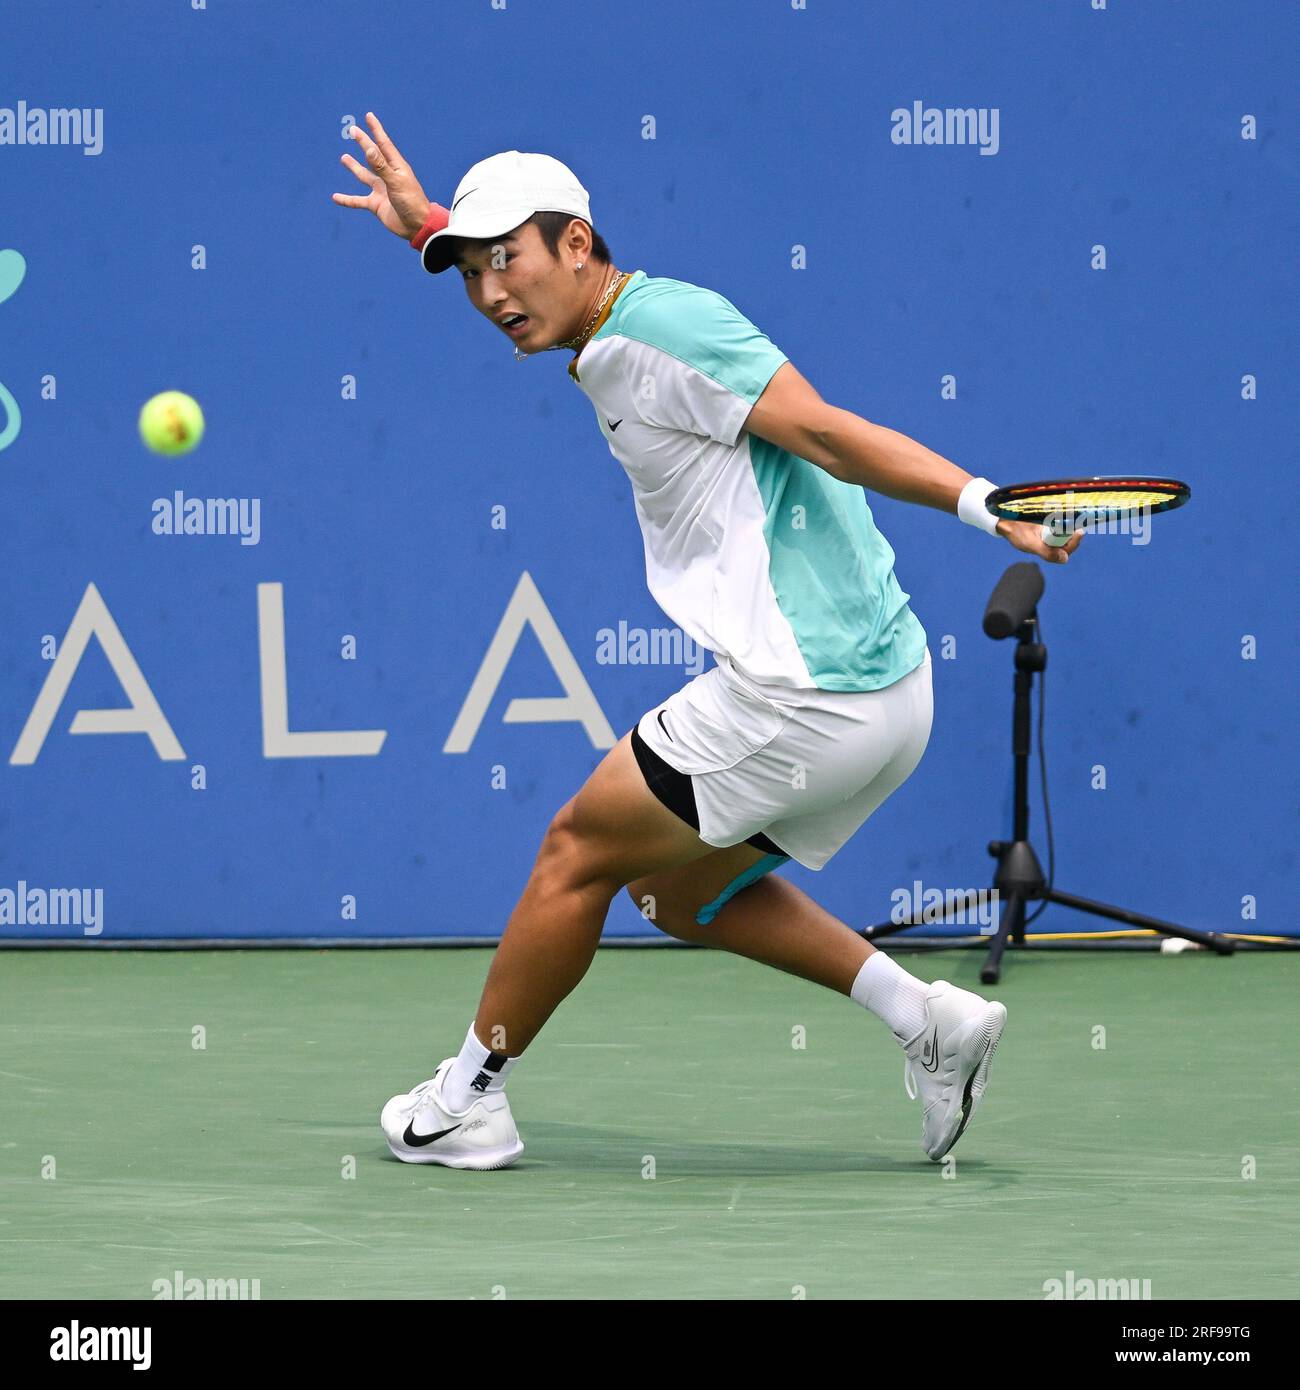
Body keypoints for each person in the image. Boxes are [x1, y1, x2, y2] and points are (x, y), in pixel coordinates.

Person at [332, 113, 1082, 1172]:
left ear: (579, 246)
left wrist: (978, 500)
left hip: (804, 695)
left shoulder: (662, 327)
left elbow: (820, 428)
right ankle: (929, 1020)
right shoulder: (603, 327)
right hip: (887, 698)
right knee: (676, 887)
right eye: (470, 272)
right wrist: (435, 227)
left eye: (510, 261)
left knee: (573, 851)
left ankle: (466, 1100)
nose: (491, 292)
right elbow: (516, 267)